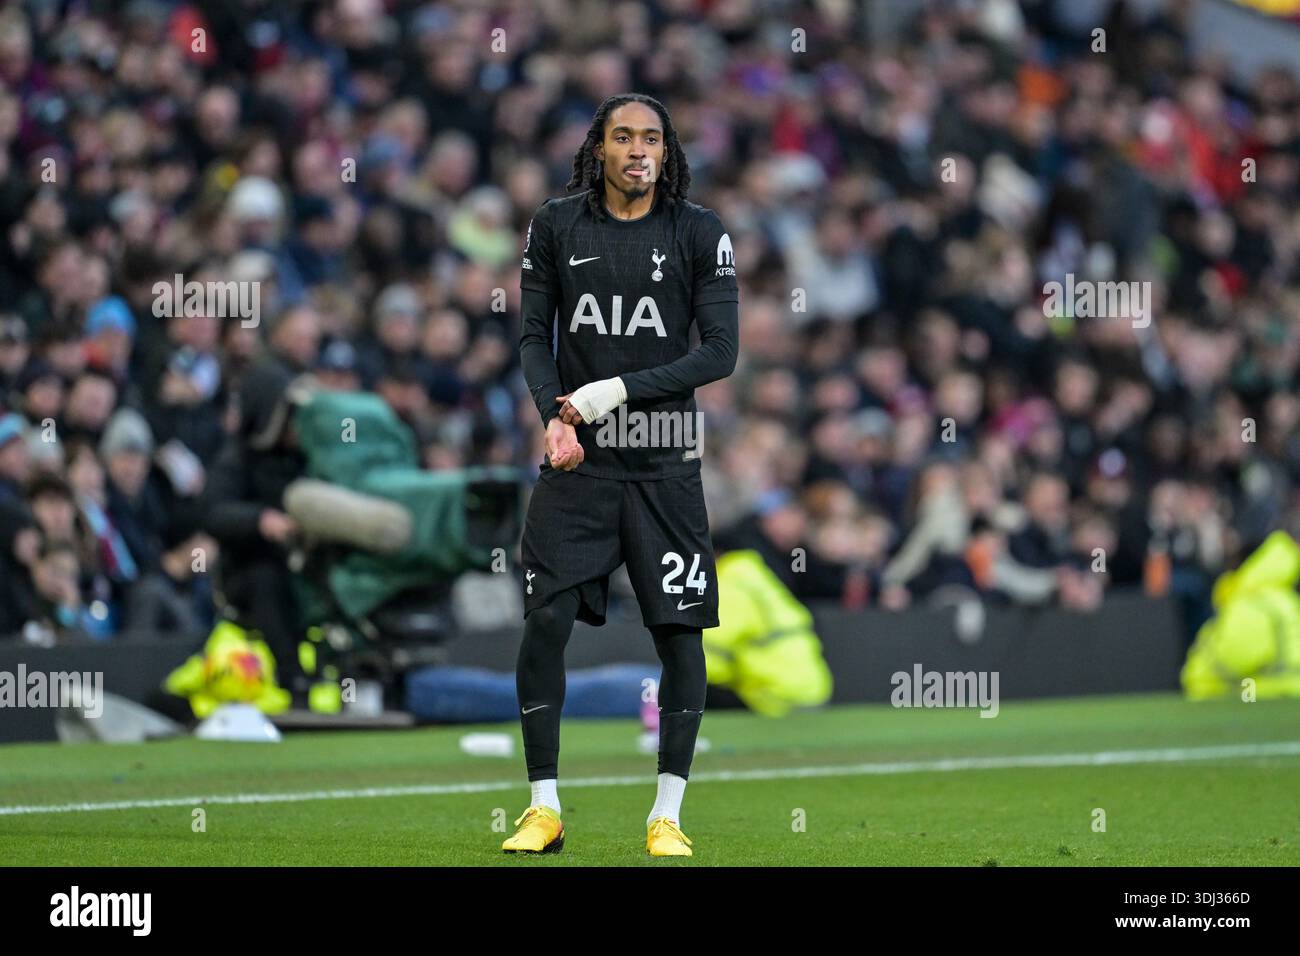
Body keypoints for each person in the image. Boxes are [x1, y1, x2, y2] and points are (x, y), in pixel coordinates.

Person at [504, 93, 739, 857]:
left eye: (652, 139)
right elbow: (535, 335)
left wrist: (616, 392)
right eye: (623, 137)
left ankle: (666, 815)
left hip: (664, 456)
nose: (639, 150)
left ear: (666, 151)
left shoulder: (701, 232)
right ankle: (544, 807)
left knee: (679, 634)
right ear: (599, 150)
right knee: (545, 621)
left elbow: (720, 353)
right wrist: (553, 412)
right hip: (582, 459)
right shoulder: (555, 225)